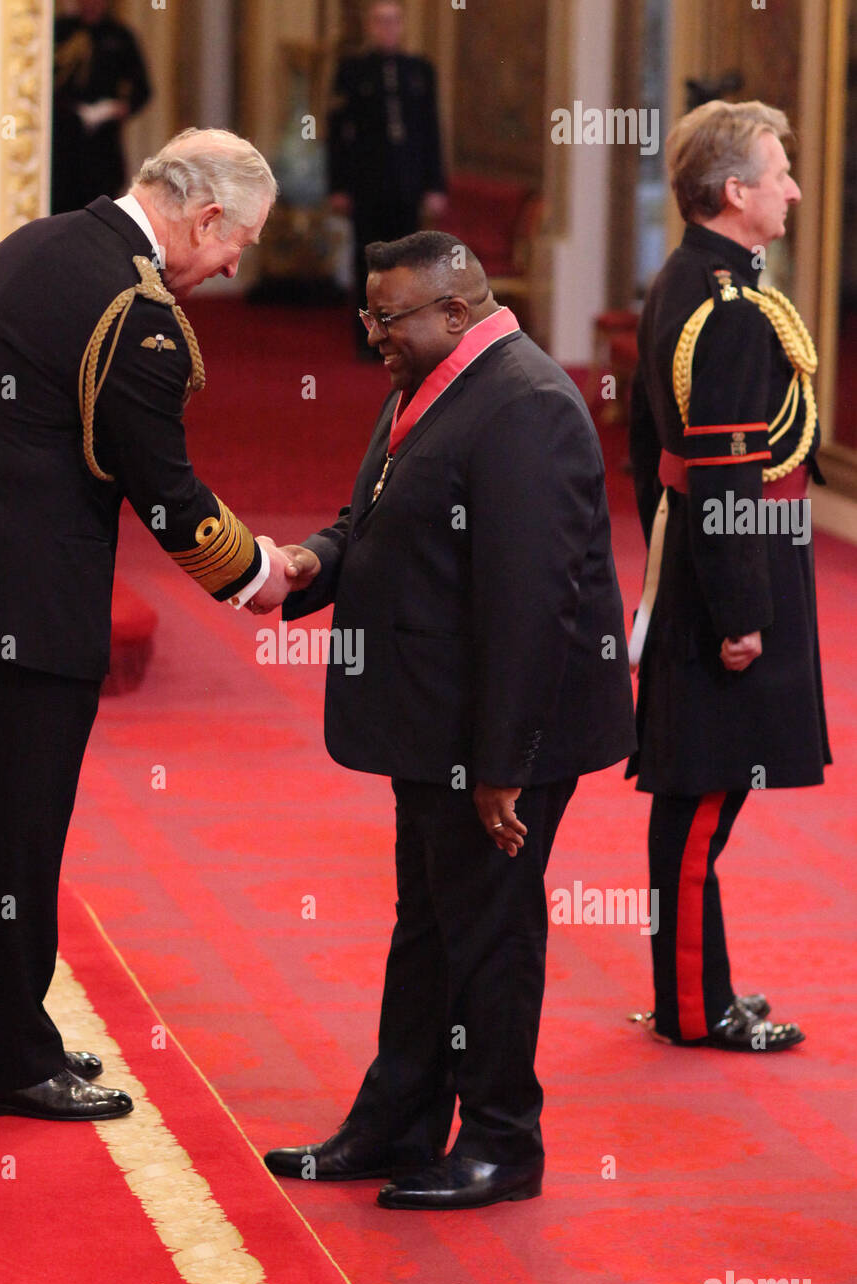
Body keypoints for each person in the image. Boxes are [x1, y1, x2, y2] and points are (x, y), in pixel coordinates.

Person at [0, 129, 305, 1121]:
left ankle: (6, 1033)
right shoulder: (134, 306)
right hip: (20, 602)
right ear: (202, 218)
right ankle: (9, 1059)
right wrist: (257, 574)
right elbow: (162, 482)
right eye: (238, 242)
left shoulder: (40, 242)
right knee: (16, 834)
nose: (235, 264)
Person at [253, 231, 636, 1210]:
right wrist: (312, 563)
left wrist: (503, 762)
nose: (370, 333)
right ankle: (399, 1121)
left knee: (491, 934)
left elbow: (529, 605)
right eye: (368, 313)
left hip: (495, 738)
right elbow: (382, 515)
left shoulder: (527, 407)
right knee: (428, 927)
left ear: (455, 311)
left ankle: (503, 1141)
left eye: (387, 317)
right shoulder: (433, 377)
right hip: (437, 726)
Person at [627, 100, 829, 1052]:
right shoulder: (728, 309)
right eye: (779, 172)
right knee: (704, 800)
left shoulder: (686, 282)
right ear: (734, 191)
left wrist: (668, 554)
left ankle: (695, 988)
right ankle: (691, 1007)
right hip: (733, 562)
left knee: (699, 797)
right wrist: (739, 613)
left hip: (706, 552)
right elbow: (722, 471)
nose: (792, 188)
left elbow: (647, 449)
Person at [327, 1, 447, 342]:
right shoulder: (351, 71)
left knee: (405, 261)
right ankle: (368, 333)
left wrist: (435, 185)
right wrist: (338, 186)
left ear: (402, 25)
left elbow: (431, 131)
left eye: (393, 21)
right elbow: (337, 136)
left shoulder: (420, 70)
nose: (387, 29)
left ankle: (402, 329)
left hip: (407, 182)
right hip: (366, 182)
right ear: (369, 26)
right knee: (367, 259)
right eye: (380, 22)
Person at [51, 0, 151, 214]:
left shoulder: (120, 36)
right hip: (63, 138)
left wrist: (122, 108)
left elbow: (142, 89)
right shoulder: (59, 31)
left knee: (99, 208)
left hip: (103, 145)